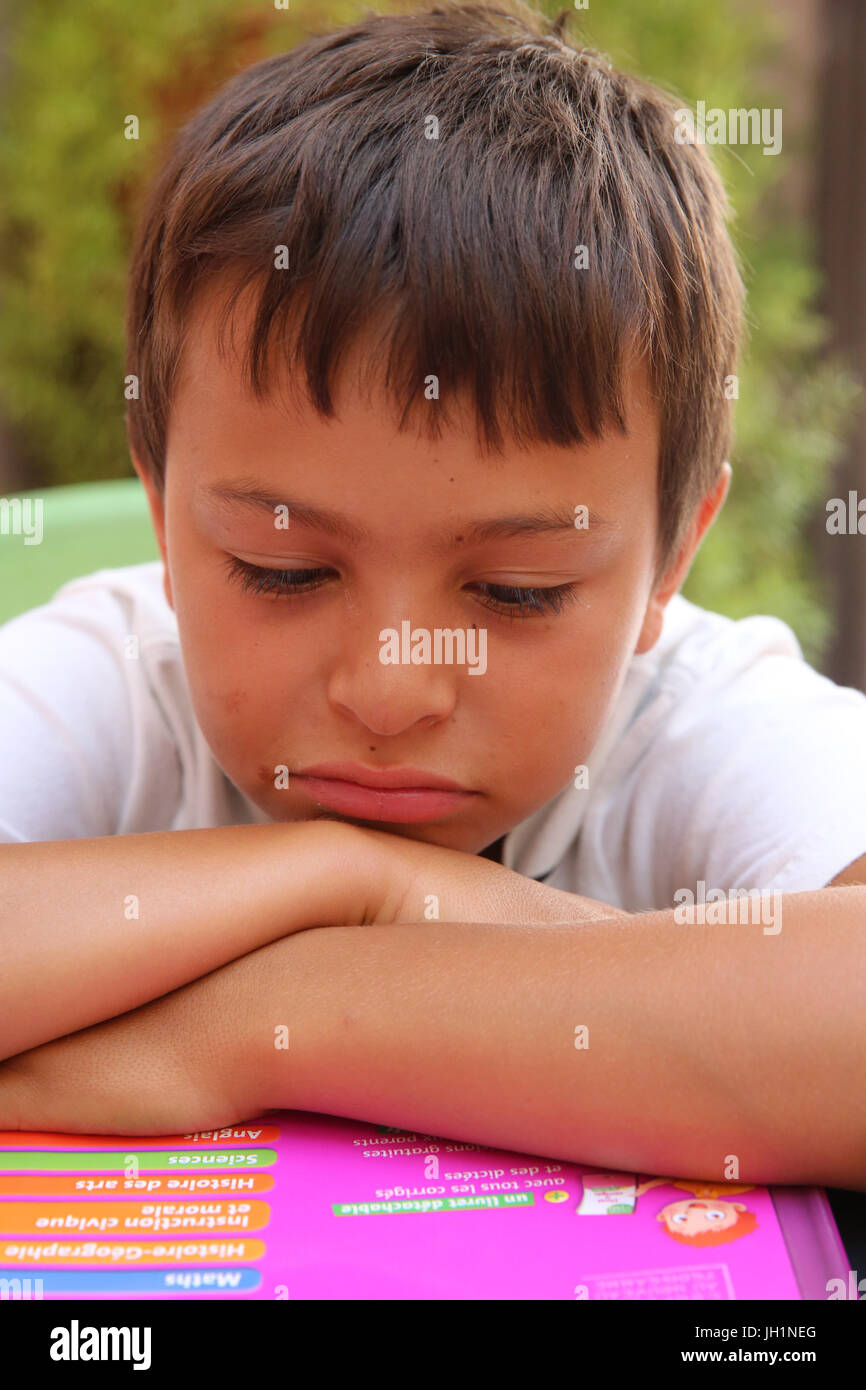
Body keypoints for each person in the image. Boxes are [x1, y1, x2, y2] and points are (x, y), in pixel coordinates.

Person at [1, 1, 865, 1189]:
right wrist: (341, 879)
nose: (390, 688)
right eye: (281, 566)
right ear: (162, 513)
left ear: (670, 558)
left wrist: (268, 1017)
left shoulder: (697, 719)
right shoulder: (108, 681)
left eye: (518, 590)